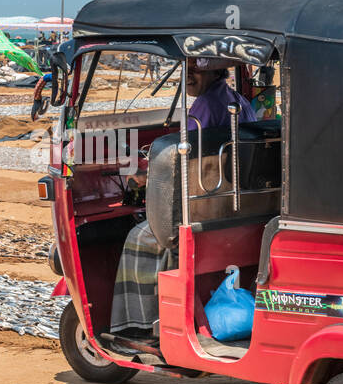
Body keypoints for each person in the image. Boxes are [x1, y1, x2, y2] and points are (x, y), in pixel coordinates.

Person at [110, 59, 258, 340]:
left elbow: (185, 165)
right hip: (235, 208)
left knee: (139, 236)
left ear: (215, 69)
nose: (189, 74)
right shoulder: (235, 99)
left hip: (209, 211)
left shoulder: (204, 107)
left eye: (197, 67)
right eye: (186, 67)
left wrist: (146, 178)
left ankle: (139, 325)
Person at [187, 59, 258, 129]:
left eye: (196, 67)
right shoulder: (240, 99)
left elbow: (189, 138)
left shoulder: (206, 103)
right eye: (184, 67)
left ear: (217, 72)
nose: (186, 74)